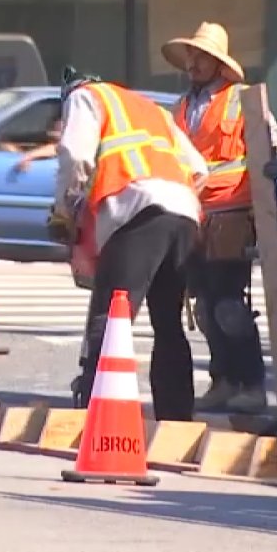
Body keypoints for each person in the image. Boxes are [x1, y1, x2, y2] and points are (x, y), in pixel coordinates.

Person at [50, 66, 208, 422]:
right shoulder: (151, 109)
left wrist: (65, 208)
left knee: (112, 315)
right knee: (168, 321)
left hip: (138, 211)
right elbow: (200, 170)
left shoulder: (83, 97)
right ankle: (176, 416)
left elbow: (76, 156)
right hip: (183, 212)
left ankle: (96, 408)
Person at [162, 22, 277, 414]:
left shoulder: (241, 101)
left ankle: (252, 384)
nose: (193, 63)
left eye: (201, 57)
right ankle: (224, 380)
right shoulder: (179, 107)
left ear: (219, 64)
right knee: (205, 308)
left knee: (229, 305)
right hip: (192, 213)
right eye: (191, 56)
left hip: (231, 213)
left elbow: (267, 146)